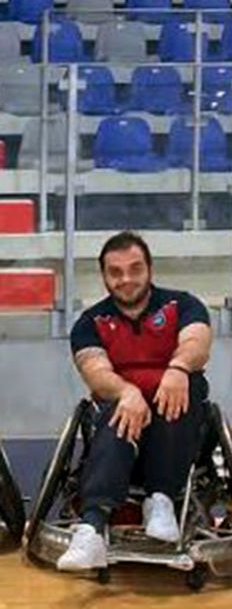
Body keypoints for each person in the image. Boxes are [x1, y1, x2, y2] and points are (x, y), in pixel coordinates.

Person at [57, 231, 212, 571]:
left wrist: (177, 368)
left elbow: (198, 342)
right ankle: (92, 528)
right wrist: (128, 392)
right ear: (104, 277)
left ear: (150, 269)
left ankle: (161, 500)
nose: (126, 279)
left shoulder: (182, 304)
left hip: (177, 421)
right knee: (115, 409)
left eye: (134, 268)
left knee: (182, 388)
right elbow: (95, 372)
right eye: (115, 272)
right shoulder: (90, 322)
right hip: (121, 420)